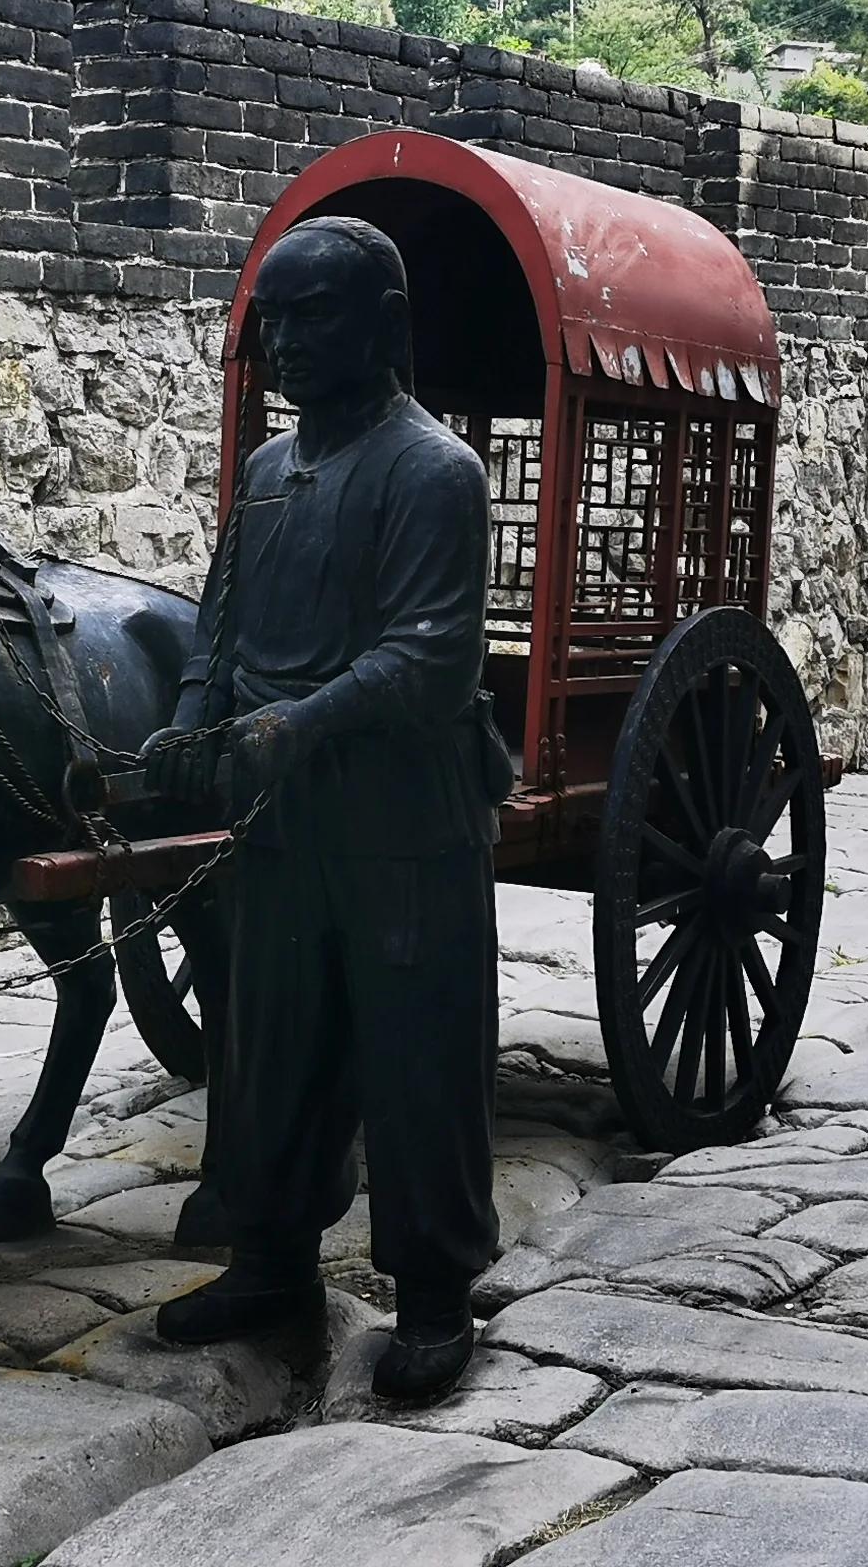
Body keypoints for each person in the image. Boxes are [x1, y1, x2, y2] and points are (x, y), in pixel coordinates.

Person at [138, 216, 508, 1403]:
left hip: (404, 819)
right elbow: (222, 625)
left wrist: (295, 724)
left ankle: (438, 1290)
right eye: (274, 320)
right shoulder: (265, 472)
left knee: (415, 1053)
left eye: (315, 316)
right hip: (282, 819)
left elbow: (431, 657)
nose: (285, 342)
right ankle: (270, 1258)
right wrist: (192, 722)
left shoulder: (433, 471)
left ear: (388, 326)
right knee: (267, 1043)